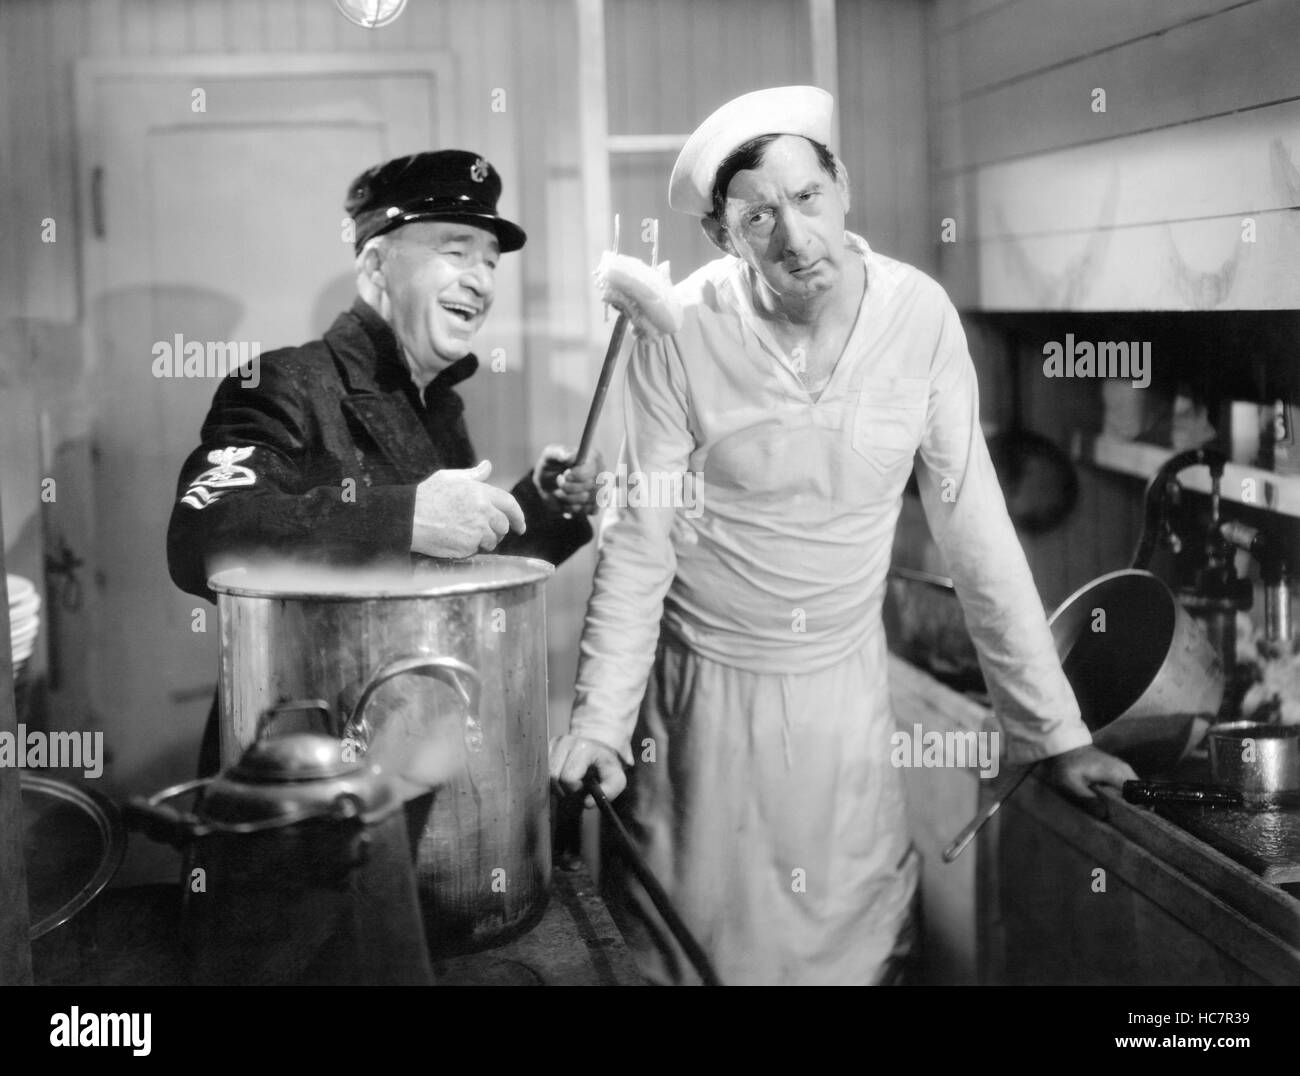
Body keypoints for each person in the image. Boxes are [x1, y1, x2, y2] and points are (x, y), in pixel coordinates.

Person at [549, 87, 1137, 985]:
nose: (794, 236)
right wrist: (597, 725)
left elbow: (973, 526)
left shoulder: (920, 319)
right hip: (703, 706)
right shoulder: (679, 331)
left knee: (853, 955)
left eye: (807, 197)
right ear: (723, 236)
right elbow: (641, 541)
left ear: (844, 186)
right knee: (689, 955)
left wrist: (1053, 734)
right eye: (757, 217)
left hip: (842, 704)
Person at [168, 149, 600, 776]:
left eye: (489, 259)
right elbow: (204, 538)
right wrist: (406, 516)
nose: (481, 280)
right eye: (455, 251)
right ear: (375, 262)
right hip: (305, 770)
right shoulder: (281, 381)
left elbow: (449, 579)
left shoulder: (435, 403)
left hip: (423, 755)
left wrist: (540, 502)